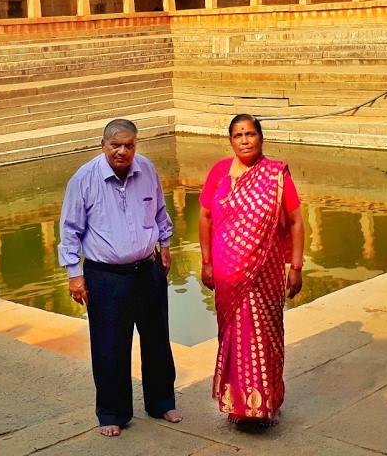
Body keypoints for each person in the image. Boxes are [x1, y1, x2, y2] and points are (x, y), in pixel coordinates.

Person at [59, 118, 183, 437]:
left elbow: (160, 211)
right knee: (109, 346)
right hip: (106, 276)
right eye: (115, 145)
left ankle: (161, 402)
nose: (122, 151)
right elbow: (70, 230)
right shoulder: (84, 179)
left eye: (129, 145)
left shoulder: (147, 169)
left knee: (157, 340)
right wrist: (74, 275)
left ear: (135, 145)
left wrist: (165, 245)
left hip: (148, 269)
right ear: (103, 145)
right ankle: (113, 412)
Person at [199, 114, 305, 426]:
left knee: (265, 336)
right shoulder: (219, 172)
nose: (244, 140)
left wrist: (296, 267)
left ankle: (266, 403)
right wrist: (206, 262)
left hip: (265, 272)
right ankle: (237, 405)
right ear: (230, 141)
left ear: (260, 137)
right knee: (234, 336)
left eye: (250, 134)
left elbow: (296, 221)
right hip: (227, 271)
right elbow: (205, 216)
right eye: (238, 135)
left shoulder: (275, 174)